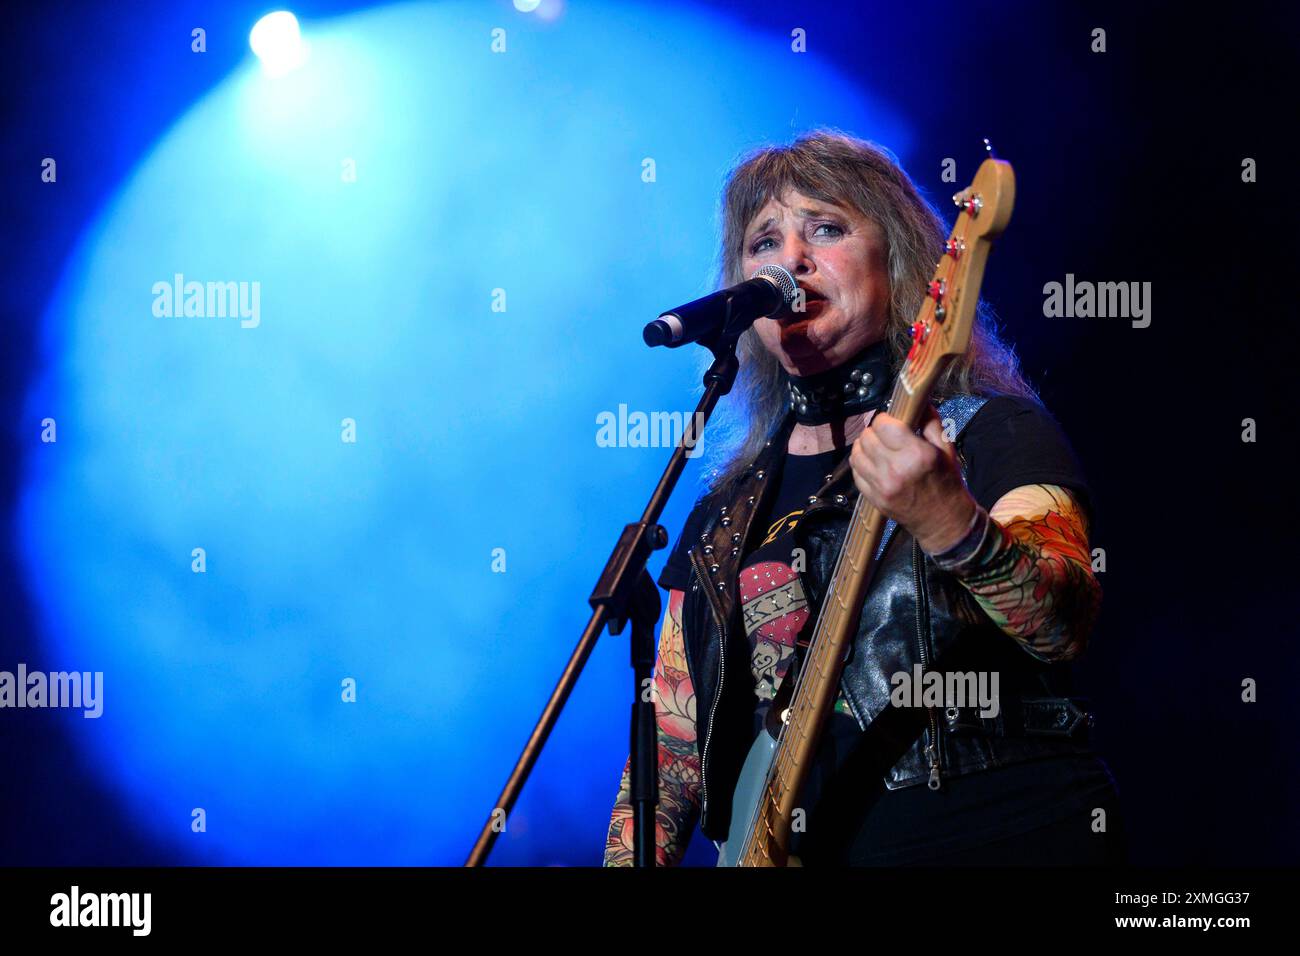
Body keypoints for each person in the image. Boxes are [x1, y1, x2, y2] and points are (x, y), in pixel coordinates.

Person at [603, 130, 1126, 867]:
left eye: (826, 228)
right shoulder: (724, 515)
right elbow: (671, 754)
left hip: (1000, 838)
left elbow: (1062, 621)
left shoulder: (989, 436)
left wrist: (951, 522)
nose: (791, 261)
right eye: (763, 243)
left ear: (900, 260)